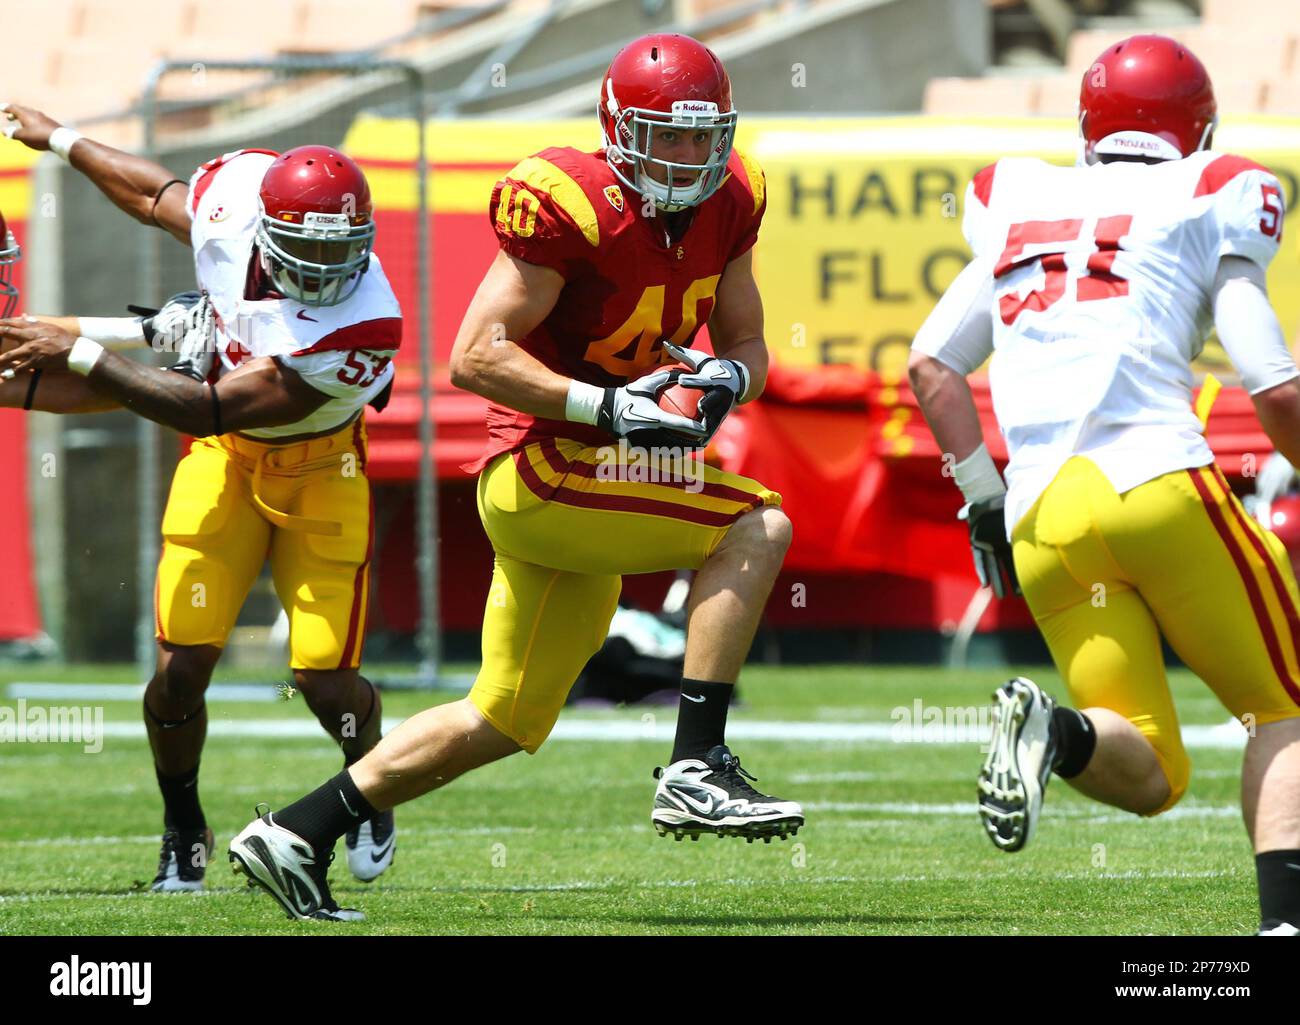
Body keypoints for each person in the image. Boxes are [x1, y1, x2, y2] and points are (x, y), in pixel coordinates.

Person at [225, 32, 802, 922]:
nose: (688, 158)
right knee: (756, 524)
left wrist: (730, 378)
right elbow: (474, 355)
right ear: (618, 129)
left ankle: (297, 831)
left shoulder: (734, 199)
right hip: (544, 464)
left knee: (503, 717)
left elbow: (751, 345)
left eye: (701, 136)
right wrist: (606, 408)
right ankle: (696, 763)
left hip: (596, 476)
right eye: (667, 136)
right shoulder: (568, 202)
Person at [908, 34, 1300, 935]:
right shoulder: (1210, 192)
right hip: (1156, 479)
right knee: (1282, 704)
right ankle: (1285, 928)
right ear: (1197, 125)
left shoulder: (1022, 200)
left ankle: (1057, 731)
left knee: (1155, 771)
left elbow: (932, 366)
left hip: (1045, 515)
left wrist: (982, 497)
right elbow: (1271, 380)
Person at [0, 105, 401, 909]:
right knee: (180, 670)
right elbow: (157, 196)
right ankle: (184, 827)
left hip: (315, 460)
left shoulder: (365, 323)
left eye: (339, 249)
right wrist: (63, 140)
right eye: (307, 247)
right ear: (265, 230)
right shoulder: (234, 208)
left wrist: (82, 346)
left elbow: (207, 408)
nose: (325, 266)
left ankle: (373, 787)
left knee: (324, 676)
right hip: (225, 461)